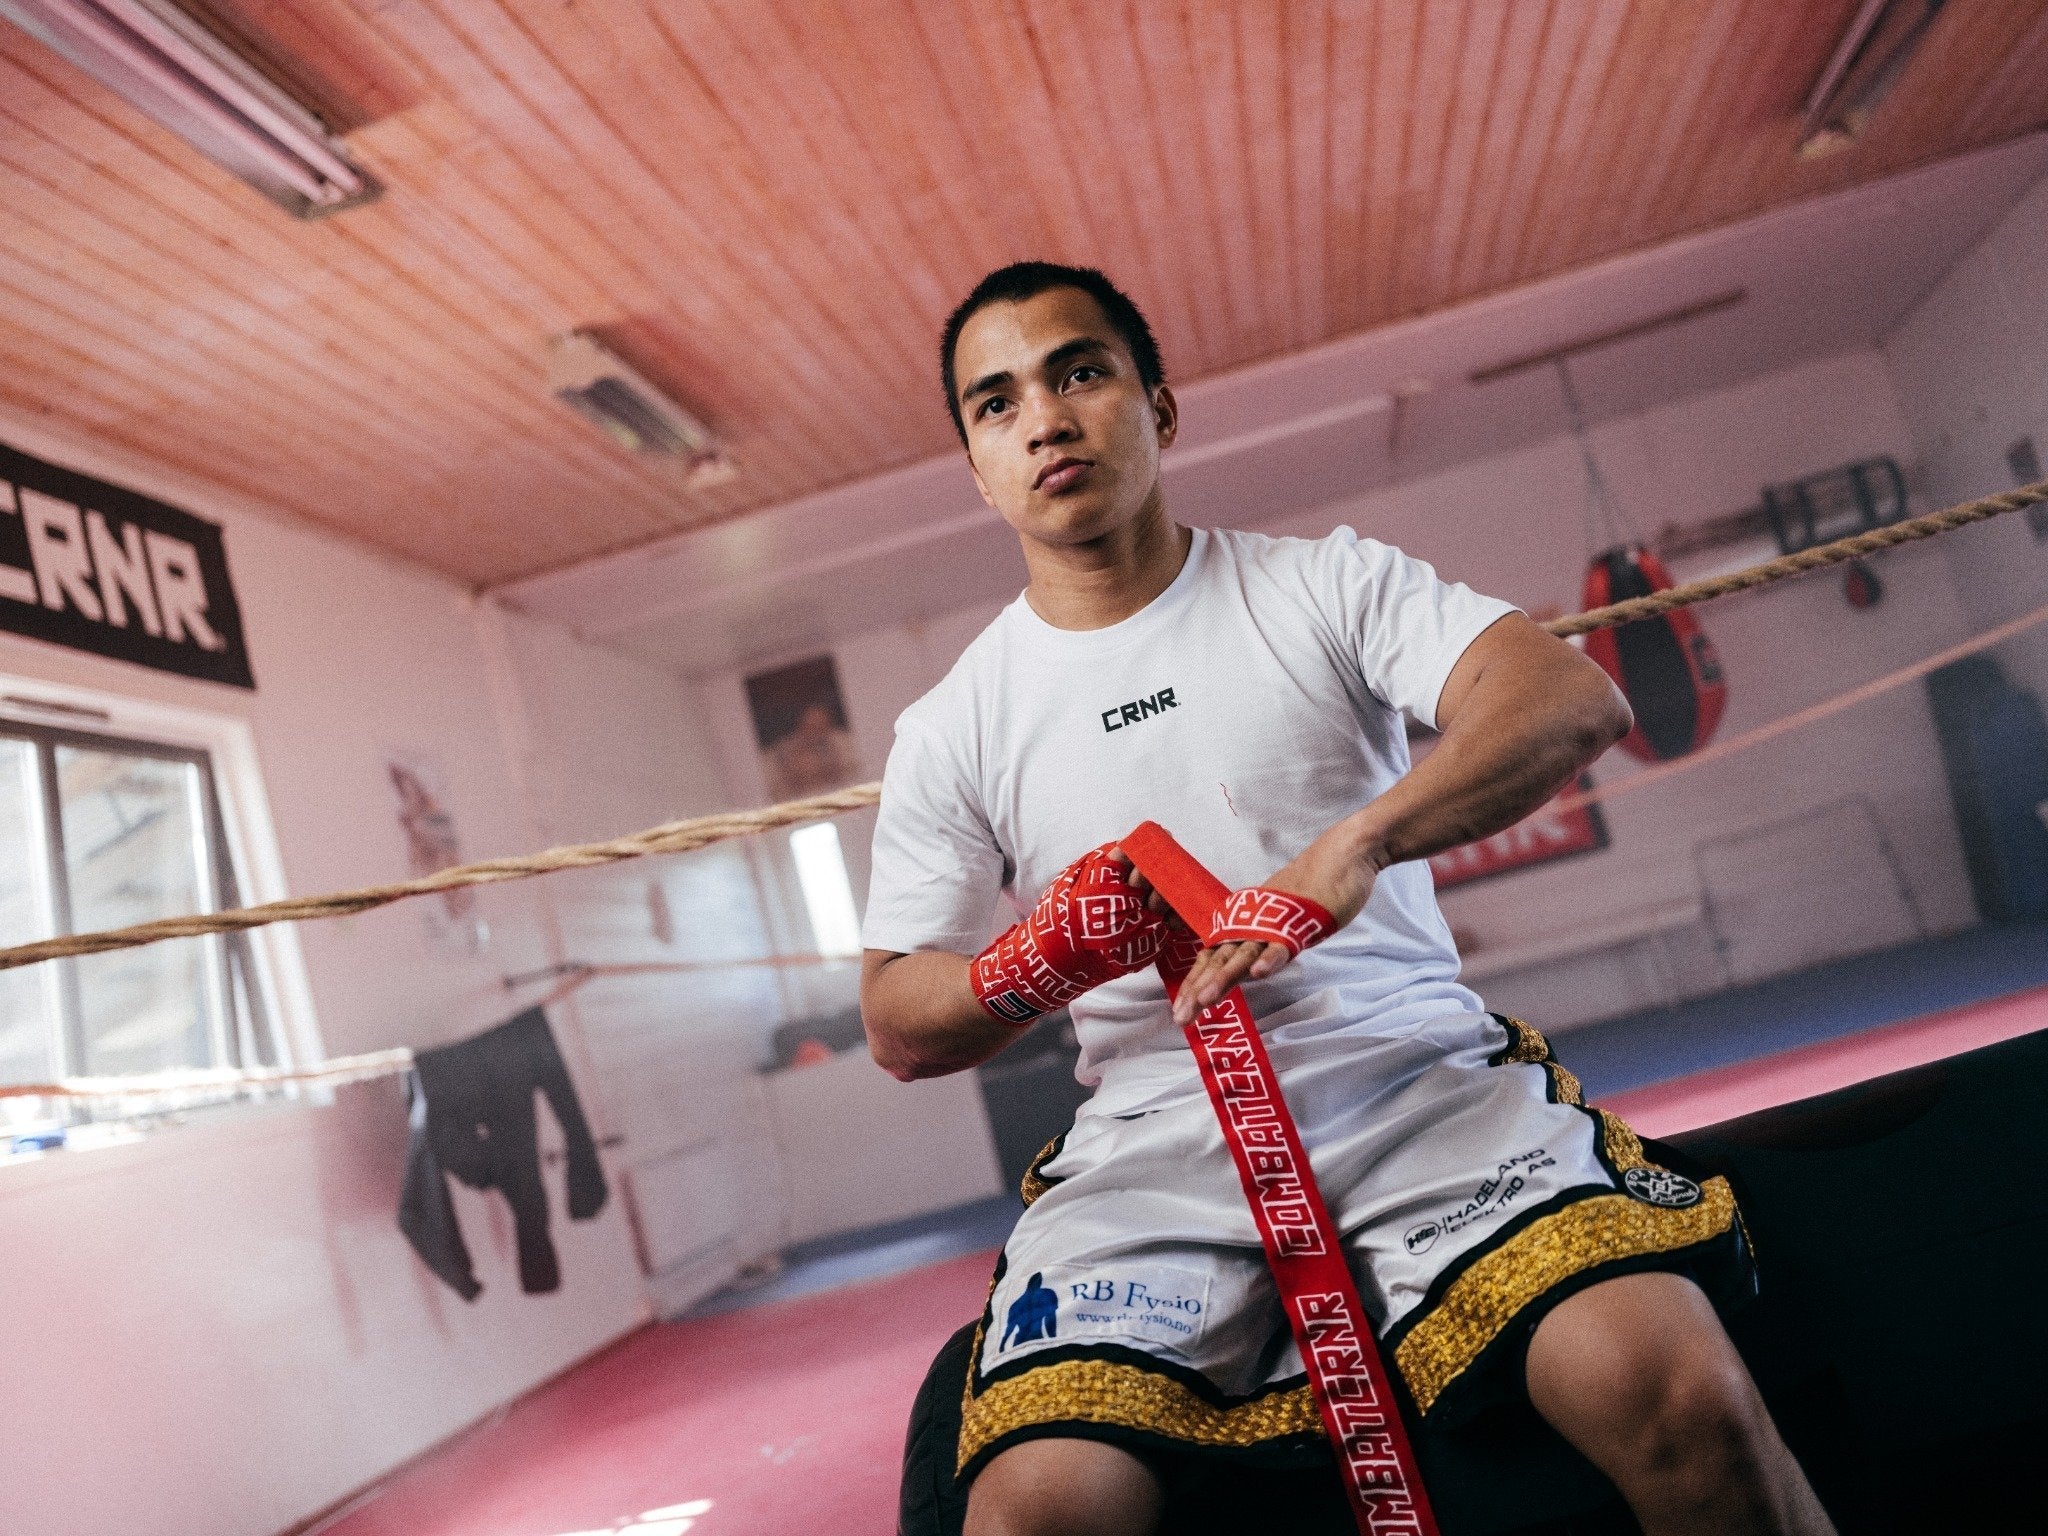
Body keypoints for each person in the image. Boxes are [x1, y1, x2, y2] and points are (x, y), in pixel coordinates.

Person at [860, 262, 1834, 1536]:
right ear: (978, 469)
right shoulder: (952, 727)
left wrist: (1356, 847)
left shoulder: (1321, 585)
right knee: (1036, 1517)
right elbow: (894, 1017)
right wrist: (1033, 961)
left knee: (1673, 1390)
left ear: (1159, 411)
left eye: (1078, 371)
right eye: (995, 404)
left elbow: (1565, 697)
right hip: (1154, 1149)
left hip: (1413, 1085)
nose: (1043, 417)